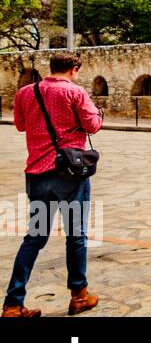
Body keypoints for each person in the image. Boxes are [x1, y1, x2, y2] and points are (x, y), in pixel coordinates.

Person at [3, 52, 103, 318]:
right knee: (76, 235)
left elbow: (20, 126)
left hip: (36, 173)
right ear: (74, 69)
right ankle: (79, 295)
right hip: (69, 174)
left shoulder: (26, 92)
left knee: (34, 237)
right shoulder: (76, 93)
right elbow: (92, 125)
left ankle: (13, 303)